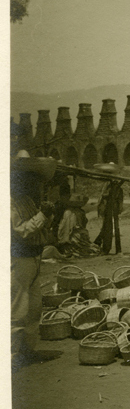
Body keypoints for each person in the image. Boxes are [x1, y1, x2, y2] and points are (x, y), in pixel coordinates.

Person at [11, 150, 62, 369]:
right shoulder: (9, 203)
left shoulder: (27, 201)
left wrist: (47, 215)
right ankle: (12, 355)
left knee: (33, 309)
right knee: (18, 309)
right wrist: (42, 216)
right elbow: (21, 231)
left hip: (33, 258)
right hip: (20, 259)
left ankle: (27, 351)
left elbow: (40, 230)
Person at [93, 162, 124, 254]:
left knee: (108, 227)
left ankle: (103, 246)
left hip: (110, 207)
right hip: (108, 207)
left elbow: (107, 195)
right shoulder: (107, 183)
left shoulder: (111, 184)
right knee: (106, 227)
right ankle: (99, 243)